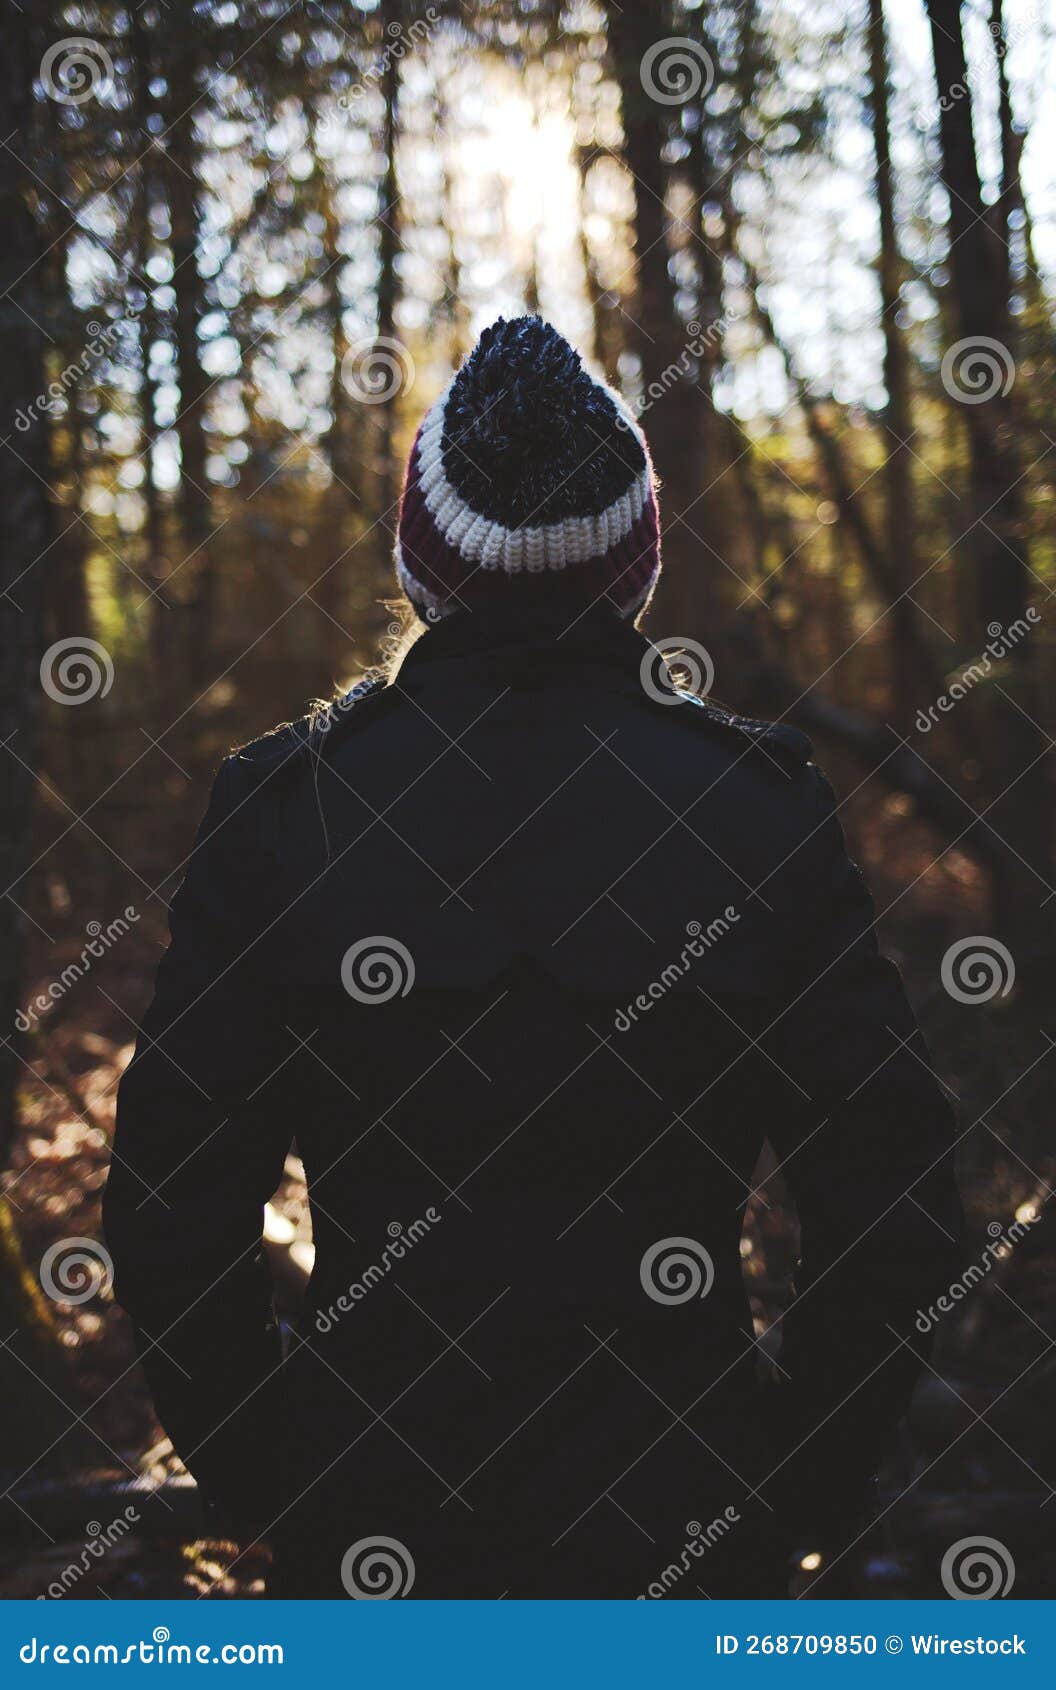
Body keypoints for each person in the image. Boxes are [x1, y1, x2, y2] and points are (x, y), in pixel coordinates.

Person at [104, 316, 961, 1599]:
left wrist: (279, 1481)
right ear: (637, 565)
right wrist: (787, 1487)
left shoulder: (290, 808)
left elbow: (172, 1202)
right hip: (686, 1535)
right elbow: (894, 1202)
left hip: (377, 1544)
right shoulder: (757, 805)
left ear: (422, 553)